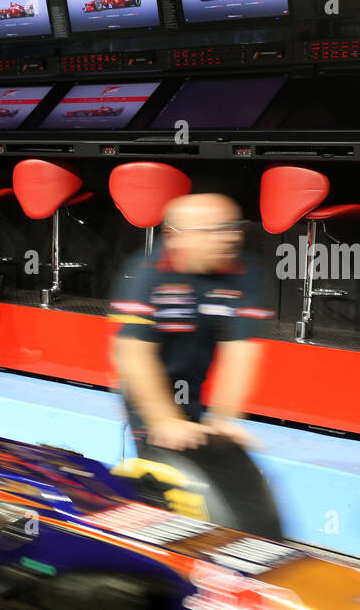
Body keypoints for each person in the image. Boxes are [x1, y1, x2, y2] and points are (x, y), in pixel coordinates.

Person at [108, 193, 270, 451]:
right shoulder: (146, 272)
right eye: (216, 231)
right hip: (149, 380)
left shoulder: (243, 269)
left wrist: (223, 418)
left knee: (204, 451)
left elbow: (241, 351)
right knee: (161, 454)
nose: (232, 238)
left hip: (195, 377)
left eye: (234, 228)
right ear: (179, 236)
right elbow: (132, 354)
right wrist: (163, 419)